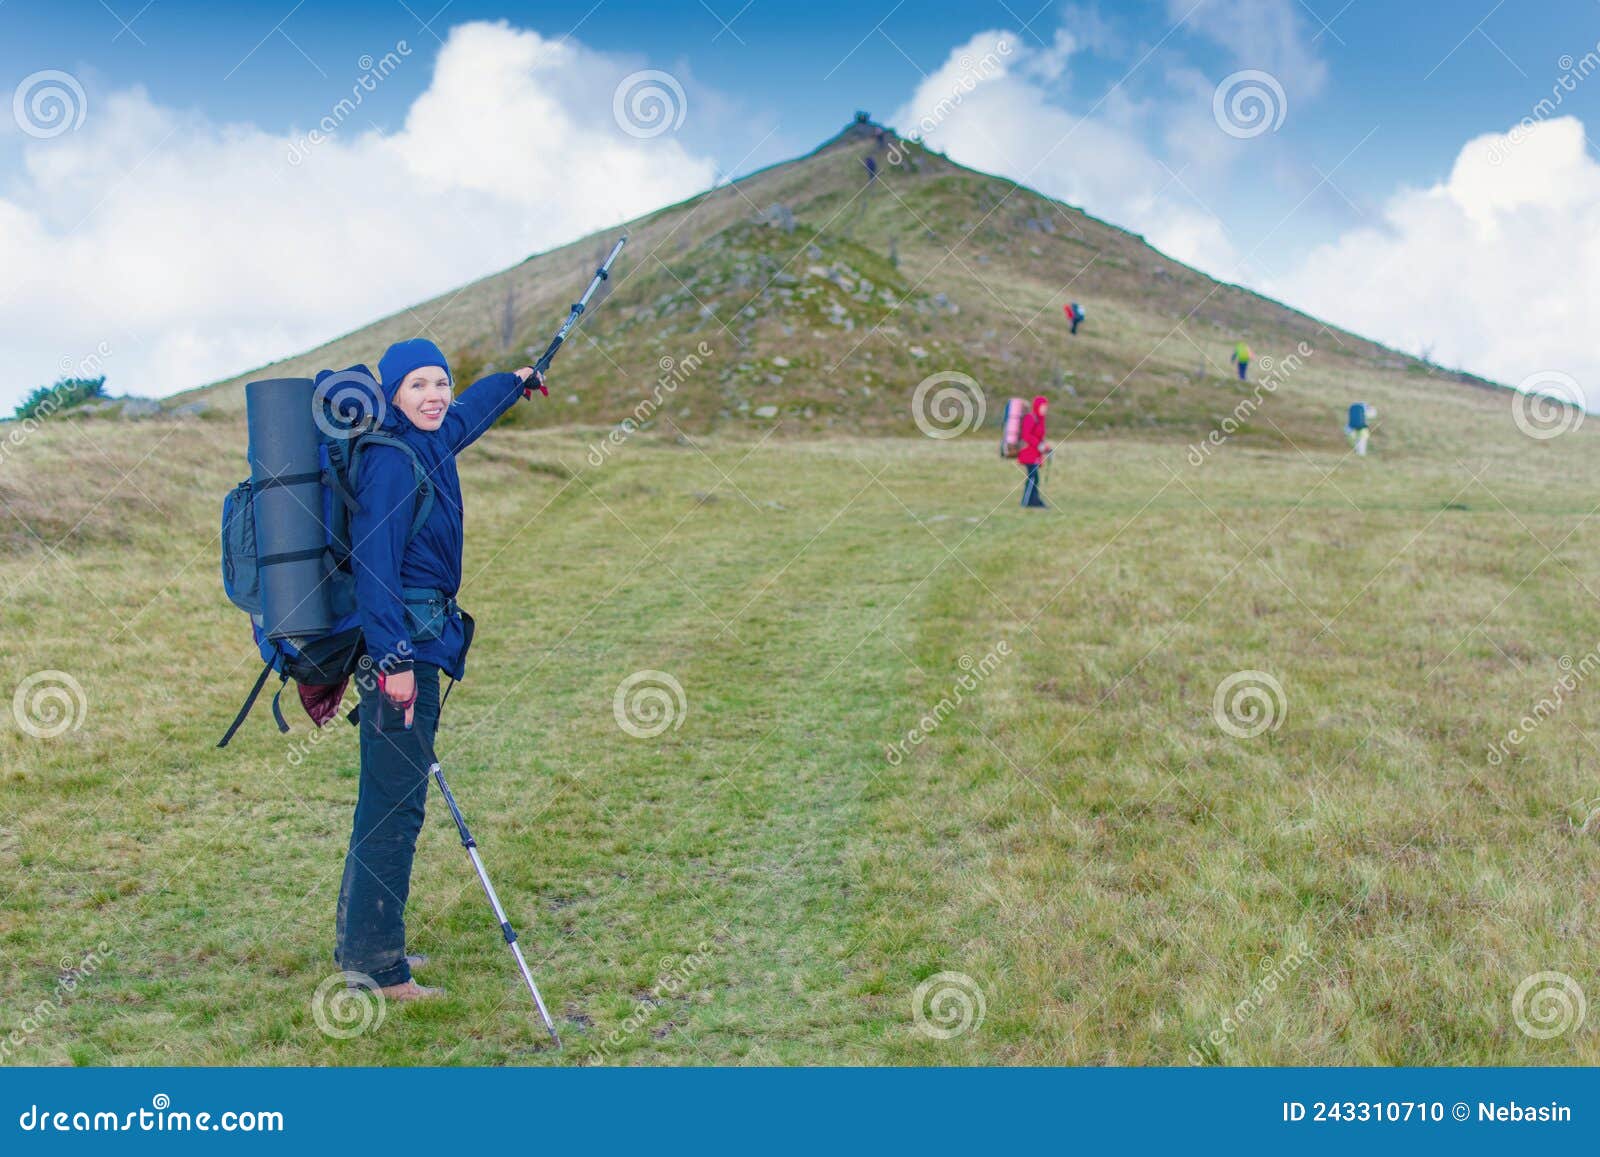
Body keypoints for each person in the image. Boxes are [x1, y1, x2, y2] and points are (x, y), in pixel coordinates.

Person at [335, 337, 545, 1002]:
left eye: (440, 382)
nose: (434, 395)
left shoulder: (430, 438)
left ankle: (366, 945)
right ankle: (379, 968)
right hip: (402, 654)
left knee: (391, 798)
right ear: (393, 395)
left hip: (417, 646)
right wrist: (394, 660)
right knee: (393, 807)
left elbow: (468, 416)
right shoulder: (393, 463)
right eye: (418, 385)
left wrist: (513, 380)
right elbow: (374, 564)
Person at [1017, 394, 1050, 508]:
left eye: (1046, 406)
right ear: (1037, 406)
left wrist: (1045, 447)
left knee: (1034, 478)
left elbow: (1039, 436)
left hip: (1035, 454)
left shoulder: (1041, 420)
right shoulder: (1030, 418)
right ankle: (1026, 502)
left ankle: (1033, 501)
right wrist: (1039, 445)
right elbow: (1026, 435)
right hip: (1028, 454)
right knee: (1033, 478)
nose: (1045, 409)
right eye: (1043, 406)